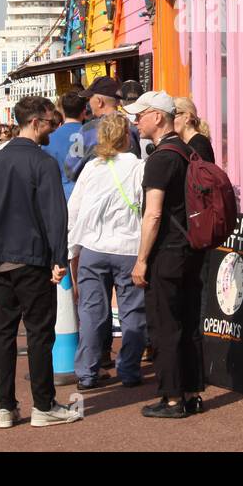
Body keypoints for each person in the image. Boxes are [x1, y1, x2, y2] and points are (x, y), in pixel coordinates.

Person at [0, 95, 80, 429]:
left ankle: (4, 407)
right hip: (32, 257)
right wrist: (58, 258)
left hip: (0, 259)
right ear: (35, 122)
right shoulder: (43, 162)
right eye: (52, 122)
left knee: (4, 334)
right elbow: (54, 213)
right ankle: (43, 404)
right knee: (39, 333)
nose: (54, 127)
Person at [129, 91, 205, 419]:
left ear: (158, 117)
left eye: (140, 115)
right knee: (188, 322)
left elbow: (153, 214)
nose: (136, 121)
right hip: (191, 248)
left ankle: (172, 399)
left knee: (164, 325)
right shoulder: (188, 152)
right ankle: (191, 393)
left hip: (167, 252)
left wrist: (142, 259)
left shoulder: (160, 159)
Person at [68, 114, 146, 389]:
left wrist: (71, 249)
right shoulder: (139, 168)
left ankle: (87, 373)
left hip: (93, 247)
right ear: (128, 137)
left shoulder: (91, 168)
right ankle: (129, 369)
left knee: (91, 312)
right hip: (129, 248)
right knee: (132, 312)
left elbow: (74, 210)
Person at [64, 76, 141, 184]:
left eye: (89, 98)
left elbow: (70, 169)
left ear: (99, 101)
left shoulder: (87, 130)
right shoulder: (132, 127)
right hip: (127, 194)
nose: (88, 103)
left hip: (96, 192)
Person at [44, 92, 88, 200]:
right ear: (84, 111)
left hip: (62, 197)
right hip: (90, 196)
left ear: (62, 111)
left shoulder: (48, 140)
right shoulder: (94, 135)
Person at [172, 97, 215, 163]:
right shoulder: (189, 143)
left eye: (172, 116)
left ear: (187, 117)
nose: (169, 121)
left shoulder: (198, 144)